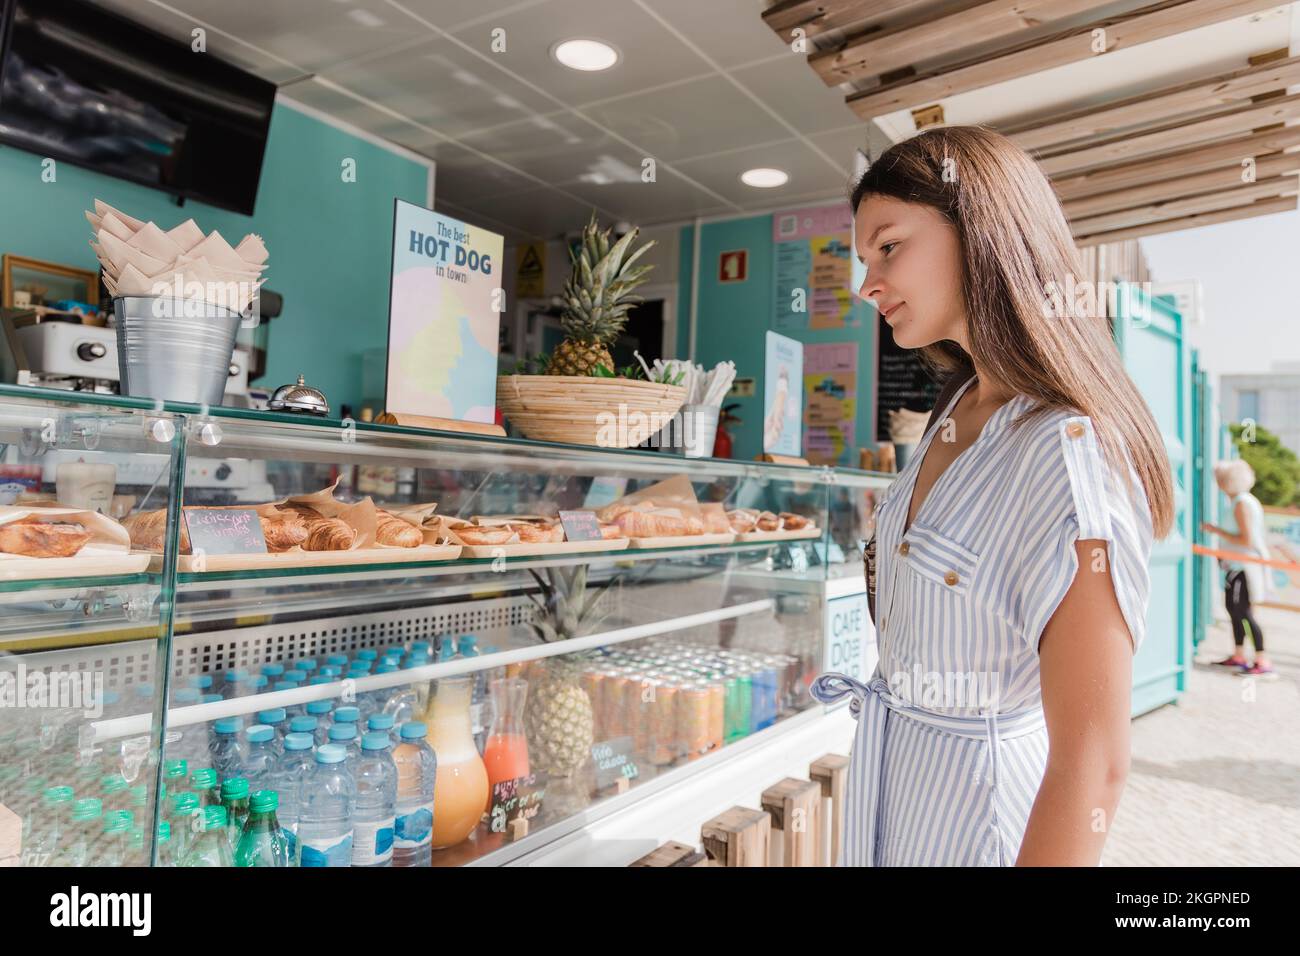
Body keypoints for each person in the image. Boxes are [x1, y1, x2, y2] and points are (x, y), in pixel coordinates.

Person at [812, 126, 1174, 867]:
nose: (867, 284)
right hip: (894, 809)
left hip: (975, 832)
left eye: (889, 247)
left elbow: (1096, 761)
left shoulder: (1069, 451)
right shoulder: (956, 410)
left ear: (980, 230)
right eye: (862, 260)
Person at [1202, 460, 1273, 677]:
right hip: (1236, 566)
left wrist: (1216, 531)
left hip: (1243, 567)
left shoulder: (1241, 503)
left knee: (1244, 612)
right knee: (1234, 610)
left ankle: (1262, 660)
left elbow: (1246, 540)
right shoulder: (1241, 501)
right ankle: (1239, 654)